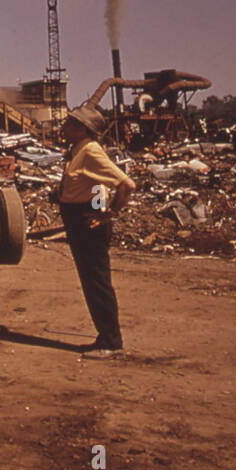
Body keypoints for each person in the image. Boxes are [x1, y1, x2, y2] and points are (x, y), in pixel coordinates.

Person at [56, 105, 137, 358]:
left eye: (69, 123)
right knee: (91, 283)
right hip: (79, 218)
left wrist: (109, 213)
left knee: (97, 283)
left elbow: (127, 185)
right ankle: (105, 337)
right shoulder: (78, 150)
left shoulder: (90, 151)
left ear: (81, 129)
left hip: (87, 223)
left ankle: (111, 343)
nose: (63, 126)